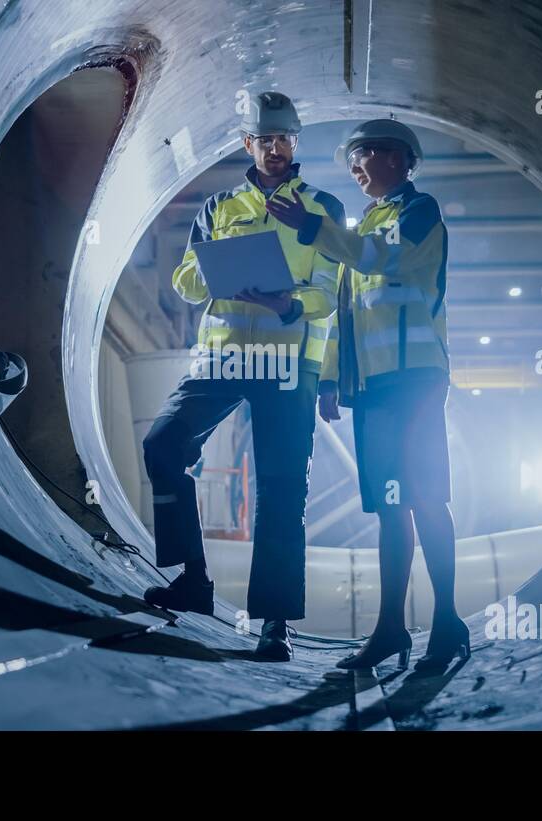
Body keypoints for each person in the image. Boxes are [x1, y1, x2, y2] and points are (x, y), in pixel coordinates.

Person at [142, 91, 345, 661]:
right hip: (224, 355)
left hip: (289, 361)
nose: (275, 148)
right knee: (163, 444)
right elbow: (184, 282)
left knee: (281, 488)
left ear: (295, 142)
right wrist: (219, 275)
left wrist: (288, 304)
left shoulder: (323, 207)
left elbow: (330, 293)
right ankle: (193, 578)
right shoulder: (217, 208)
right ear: (247, 144)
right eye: (265, 139)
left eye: (283, 138)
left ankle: (275, 623)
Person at [265, 118, 469, 673]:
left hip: (416, 380)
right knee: (391, 507)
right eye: (352, 159)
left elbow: (387, 260)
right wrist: (332, 377)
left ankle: (448, 622)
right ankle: (390, 631)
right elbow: (349, 312)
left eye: (366, 155)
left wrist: (314, 228)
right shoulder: (364, 226)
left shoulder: (418, 212)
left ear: (401, 160)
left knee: (426, 497)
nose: (356, 167)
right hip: (375, 387)